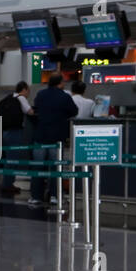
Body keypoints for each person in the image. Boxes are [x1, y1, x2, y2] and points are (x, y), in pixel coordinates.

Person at [29, 73, 78, 206]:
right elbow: (74, 111)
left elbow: (36, 109)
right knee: (56, 169)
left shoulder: (41, 94)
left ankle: (35, 196)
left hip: (40, 136)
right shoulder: (65, 96)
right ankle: (54, 196)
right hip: (57, 138)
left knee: (37, 168)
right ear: (60, 83)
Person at [0, 81, 31, 197]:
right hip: (15, 132)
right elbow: (29, 111)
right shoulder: (21, 98)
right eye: (28, 91)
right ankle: (7, 184)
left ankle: (7, 183)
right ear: (24, 89)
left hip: (4, 132)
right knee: (13, 159)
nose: (28, 94)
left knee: (8, 158)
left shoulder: (7, 98)